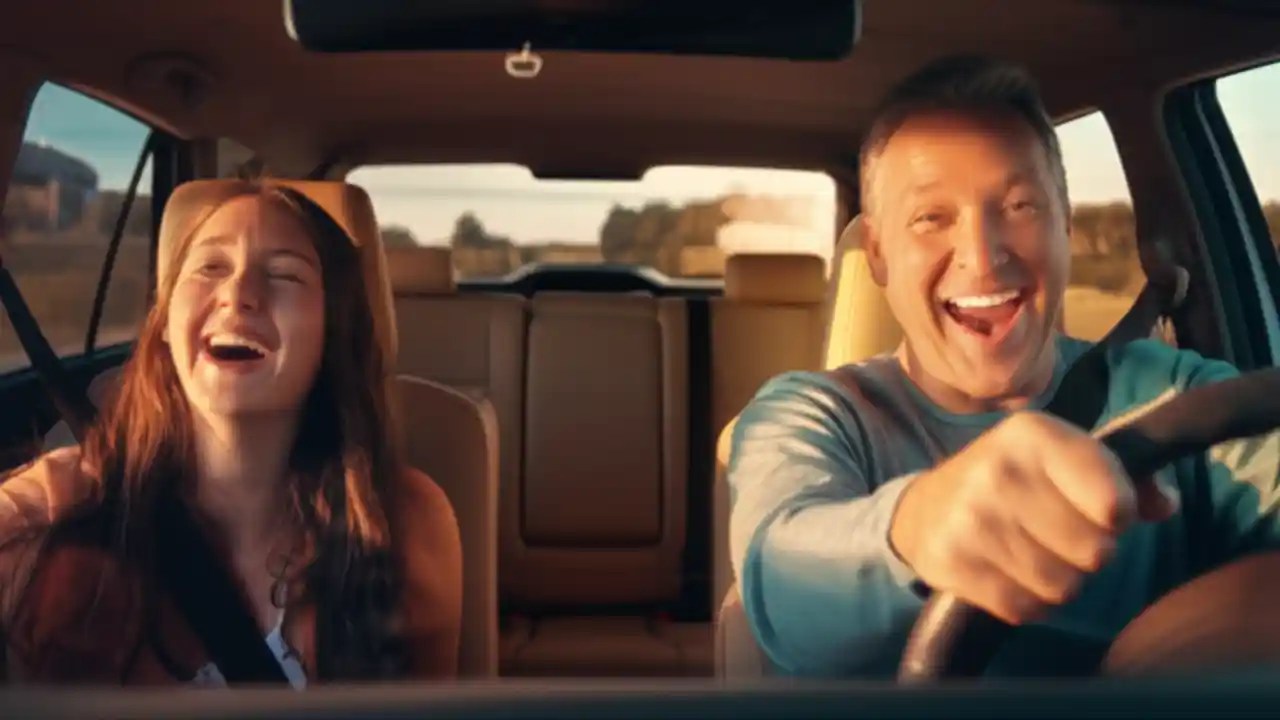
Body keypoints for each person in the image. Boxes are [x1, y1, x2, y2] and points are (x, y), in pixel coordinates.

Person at [726, 55, 1280, 677]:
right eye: (932, 218)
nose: (984, 261)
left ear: (1065, 229)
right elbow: (780, 581)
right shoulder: (810, 414)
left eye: (1020, 207)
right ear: (878, 256)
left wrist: (1183, 640)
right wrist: (918, 526)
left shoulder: (1184, 396)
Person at [0, 181, 463, 685]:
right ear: (165, 322)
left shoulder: (402, 519)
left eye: (285, 274)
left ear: (334, 332)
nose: (239, 294)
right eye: (209, 267)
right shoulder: (57, 504)